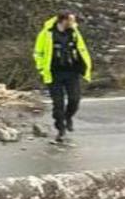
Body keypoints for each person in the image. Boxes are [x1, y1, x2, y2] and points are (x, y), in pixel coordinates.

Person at [33, 10, 93, 142]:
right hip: (54, 73)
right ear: (63, 20)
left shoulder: (74, 33)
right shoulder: (46, 34)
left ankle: (68, 117)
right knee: (58, 103)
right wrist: (42, 69)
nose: (74, 22)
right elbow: (38, 53)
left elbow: (82, 50)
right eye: (71, 20)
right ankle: (61, 129)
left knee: (74, 99)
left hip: (72, 72)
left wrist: (85, 67)